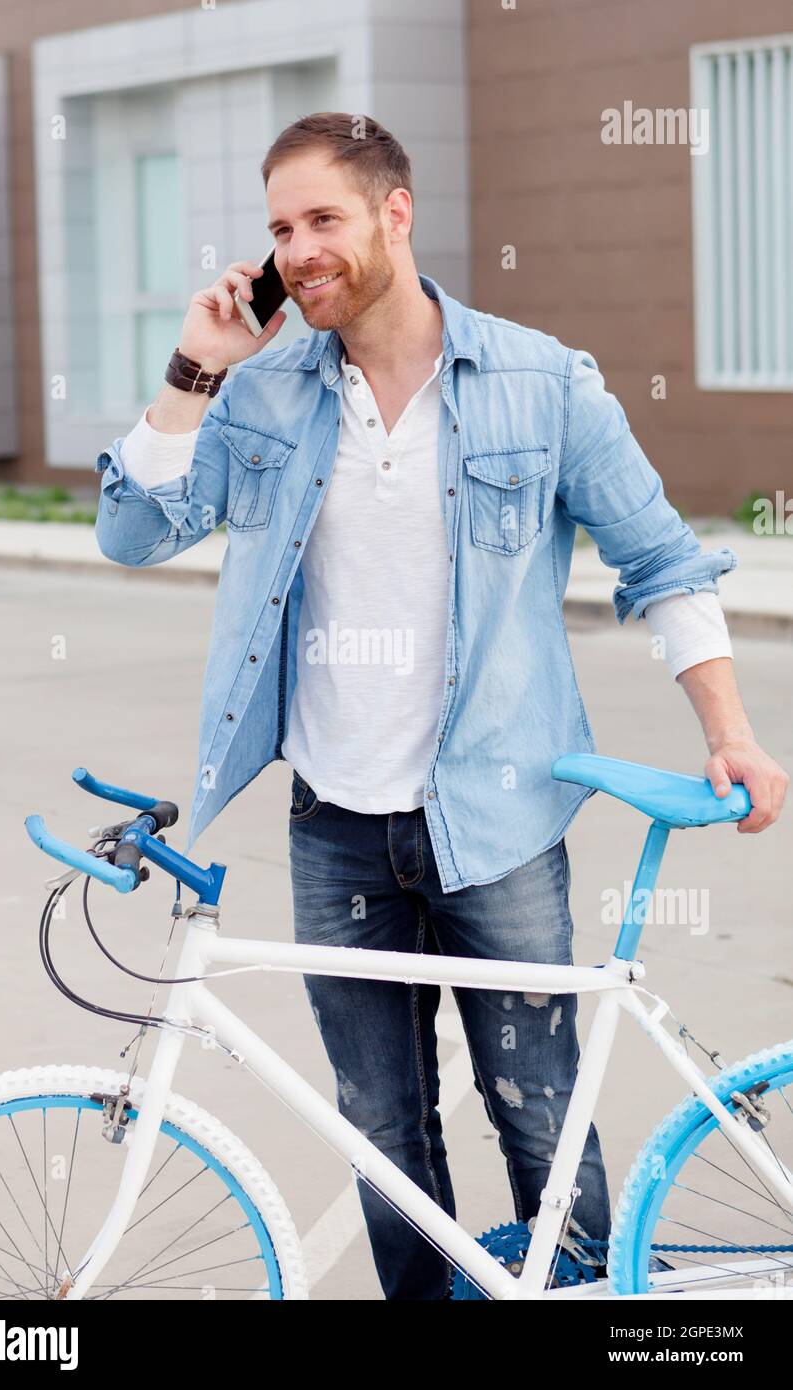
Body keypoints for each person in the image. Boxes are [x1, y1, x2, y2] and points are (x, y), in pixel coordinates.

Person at [95, 112, 789, 1300]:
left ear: (393, 213)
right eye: (277, 229)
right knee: (384, 1145)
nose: (297, 250)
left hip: (499, 821)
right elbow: (132, 531)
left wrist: (727, 730)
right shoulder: (259, 398)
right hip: (337, 826)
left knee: (542, 1128)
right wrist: (195, 365)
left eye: (322, 219)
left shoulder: (540, 380)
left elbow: (663, 562)